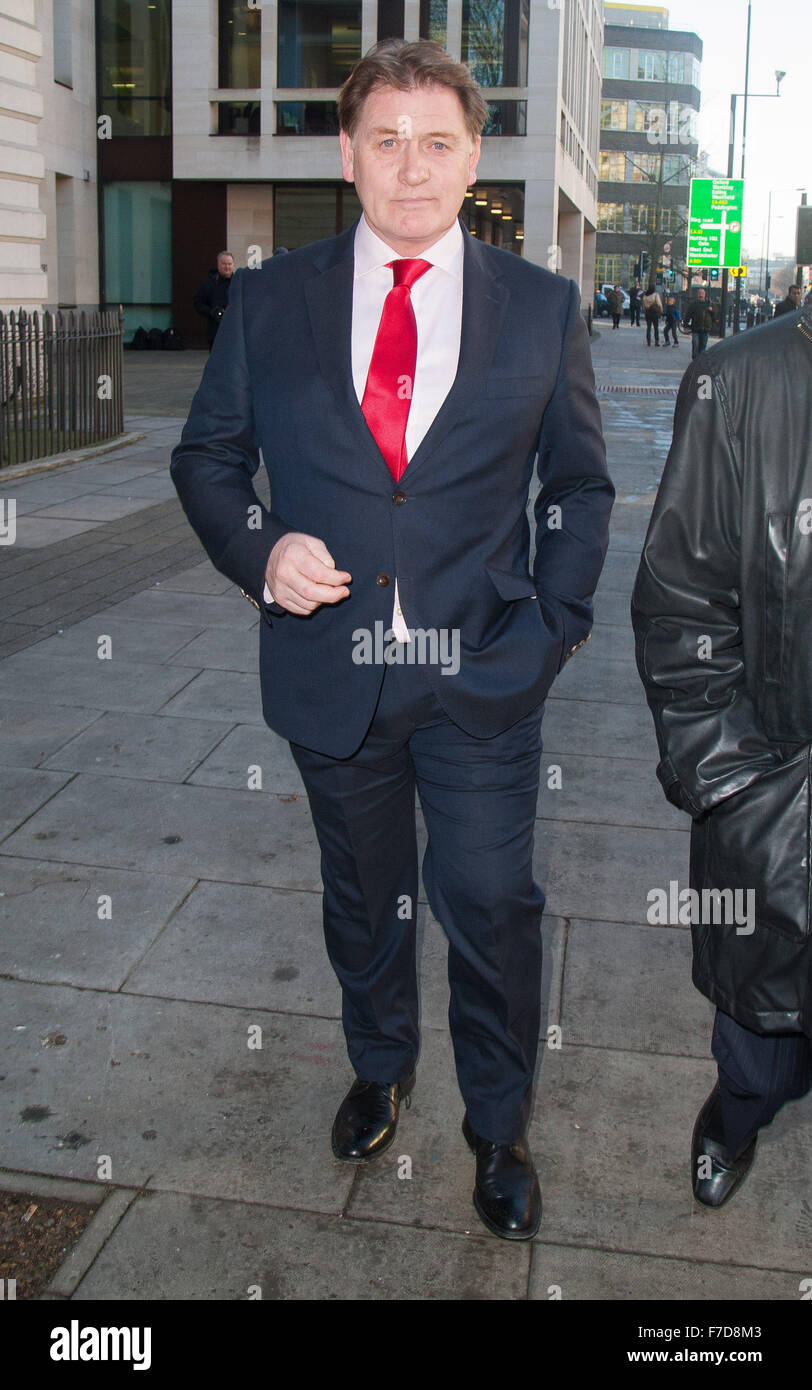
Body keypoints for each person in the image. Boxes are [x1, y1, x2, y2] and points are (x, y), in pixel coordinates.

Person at [170, 39, 613, 1242]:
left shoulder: (540, 306)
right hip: (332, 676)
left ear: (472, 155)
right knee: (364, 899)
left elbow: (577, 487)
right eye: (383, 139)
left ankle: (497, 1123)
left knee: (486, 902)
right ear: (348, 153)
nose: (409, 168)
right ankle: (379, 1066)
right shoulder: (273, 299)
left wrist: (553, 630)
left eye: (434, 142)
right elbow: (207, 457)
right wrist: (261, 550)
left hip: (482, 672)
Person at [631, 301, 812, 1209]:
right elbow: (680, 601)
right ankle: (736, 1114)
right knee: (761, 1024)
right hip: (778, 783)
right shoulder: (739, 379)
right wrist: (736, 781)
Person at [194, 250, 235, 350]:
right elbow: (198, 304)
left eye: (229, 264)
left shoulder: (239, 284)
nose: (227, 267)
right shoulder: (209, 285)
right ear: (218, 265)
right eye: (224, 264)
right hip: (215, 331)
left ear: (233, 265)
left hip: (235, 332)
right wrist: (212, 312)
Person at [683, 285, 717, 359]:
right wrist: (685, 324)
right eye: (699, 293)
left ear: (705, 295)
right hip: (696, 327)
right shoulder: (693, 304)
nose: (701, 295)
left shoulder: (710, 304)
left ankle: (700, 360)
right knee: (695, 343)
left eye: (702, 293)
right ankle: (695, 358)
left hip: (705, 328)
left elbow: (714, 315)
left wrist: (712, 310)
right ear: (697, 294)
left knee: (703, 345)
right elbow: (688, 314)